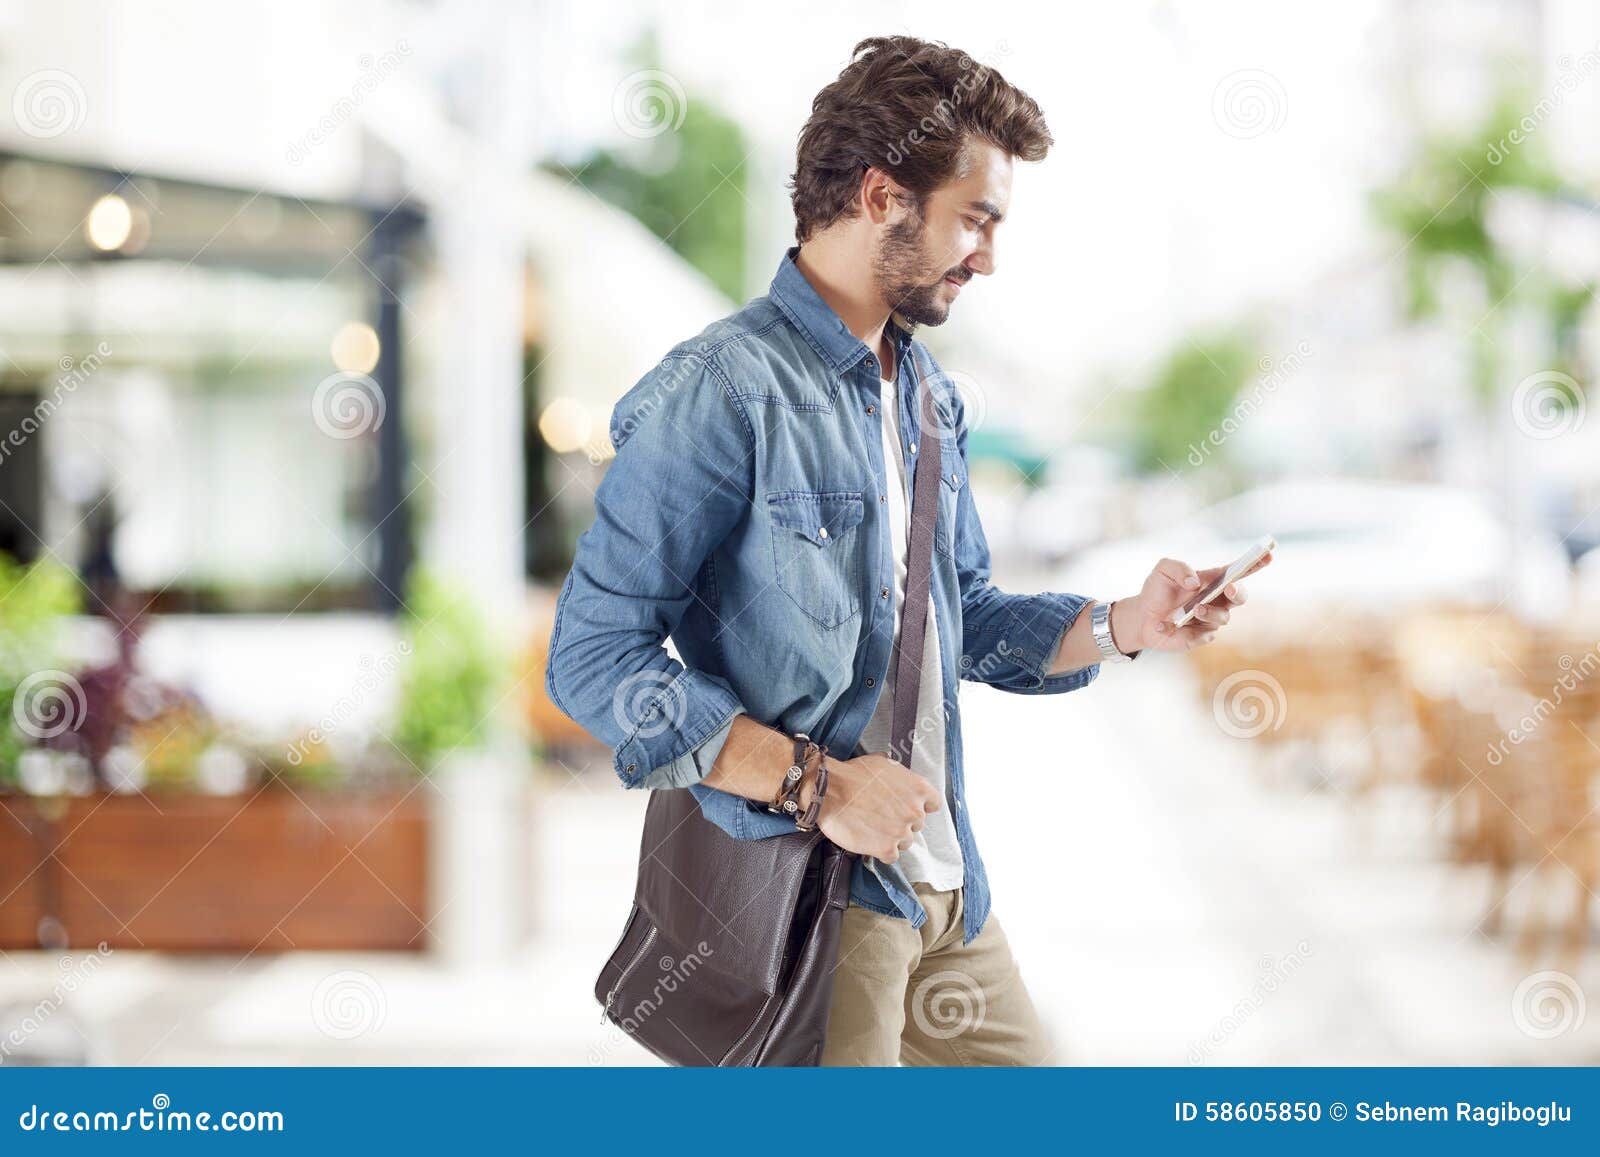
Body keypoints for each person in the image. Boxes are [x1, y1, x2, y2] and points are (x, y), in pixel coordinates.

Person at [546, 34, 1269, 1066]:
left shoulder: (928, 395)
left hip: (943, 884)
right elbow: (592, 656)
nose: (988, 256)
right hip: (815, 900)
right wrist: (818, 783)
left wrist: (1123, 624)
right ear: (882, 195)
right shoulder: (724, 388)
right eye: (975, 218)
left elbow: (964, 615)